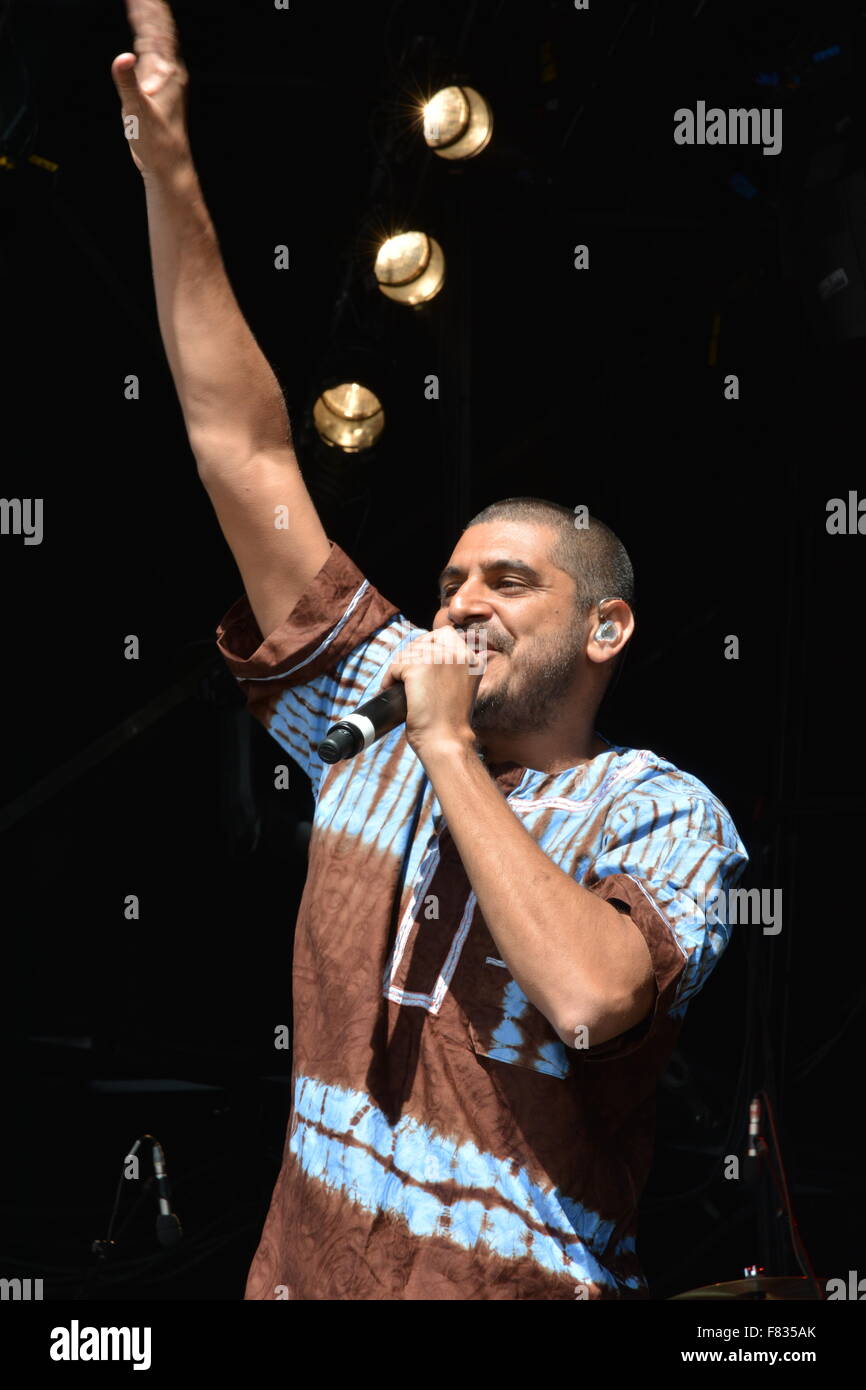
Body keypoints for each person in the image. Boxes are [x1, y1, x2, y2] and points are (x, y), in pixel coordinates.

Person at [112, 0, 749, 1300]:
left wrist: (447, 744)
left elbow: (584, 994)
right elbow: (242, 447)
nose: (459, 604)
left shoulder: (658, 805)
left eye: (506, 582)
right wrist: (168, 169)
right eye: (449, 579)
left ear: (602, 627)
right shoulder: (374, 710)